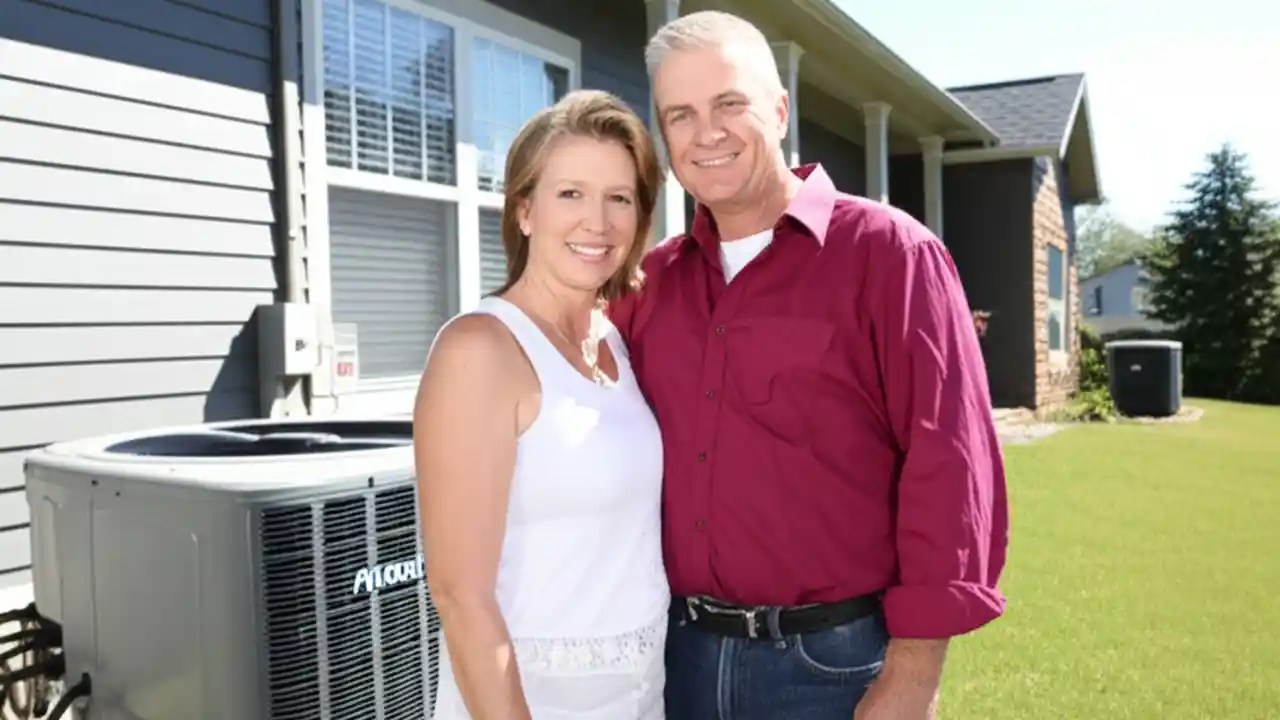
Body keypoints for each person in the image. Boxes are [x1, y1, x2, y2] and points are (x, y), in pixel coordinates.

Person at [607, 10, 1010, 719]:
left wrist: (914, 676)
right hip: (675, 660)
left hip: (832, 668)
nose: (708, 132)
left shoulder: (891, 255)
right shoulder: (651, 283)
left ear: (780, 108)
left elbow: (950, 466)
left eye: (730, 103)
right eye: (681, 115)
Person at [413, 89, 669, 719]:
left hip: (641, 694)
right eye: (570, 194)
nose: (598, 222)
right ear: (524, 210)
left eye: (620, 198)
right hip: (530, 700)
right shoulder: (481, 349)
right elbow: (459, 594)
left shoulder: (614, 342)